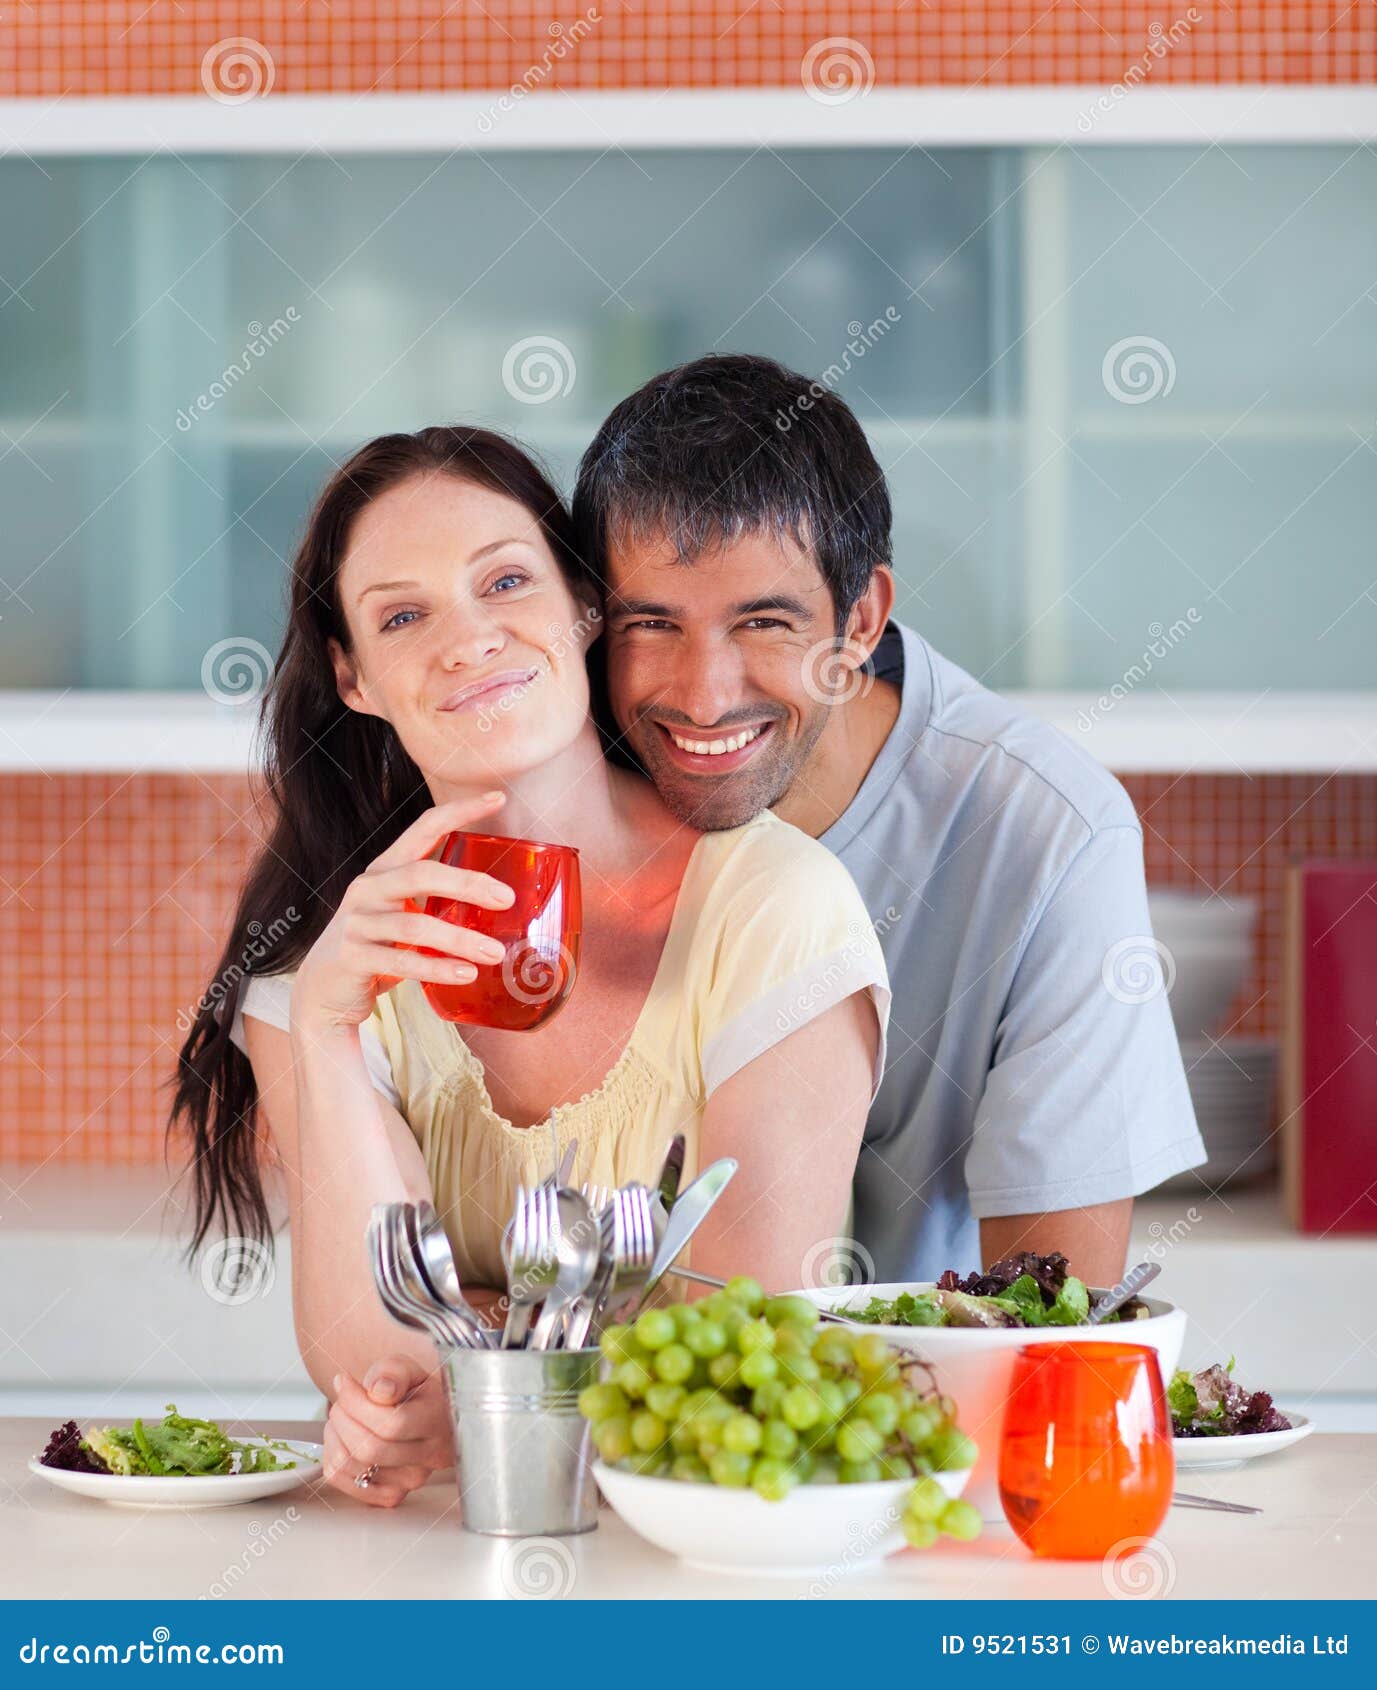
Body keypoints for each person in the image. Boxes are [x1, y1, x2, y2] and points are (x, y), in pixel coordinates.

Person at [169, 426, 887, 1507]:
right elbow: (384, 1369)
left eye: (505, 581)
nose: (467, 641)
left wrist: (488, 1368)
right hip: (446, 1567)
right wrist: (321, 1033)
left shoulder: (776, 908)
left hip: (703, 1556)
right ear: (353, 675)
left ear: (583, 608)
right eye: (403, 615)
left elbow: (737, 1348)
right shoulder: (324, 958)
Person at [572, 353, 1207, 1290]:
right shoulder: (559, 781)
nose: (702, 699)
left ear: (860, 618)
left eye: (764, 624)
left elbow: (1046, 1319)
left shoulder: (1046, 833)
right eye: (650, 625)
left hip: (924, 1420)